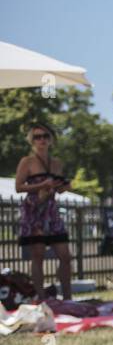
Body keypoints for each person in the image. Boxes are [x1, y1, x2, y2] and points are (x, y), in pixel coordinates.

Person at [15, 122, 74, 301]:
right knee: (38, 255)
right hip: (34, 210)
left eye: (45, 136)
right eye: (37, 137)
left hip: (51, 210)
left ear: (51, 140)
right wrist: (42, 185)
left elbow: (58, 187)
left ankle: (67, 296)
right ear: (32, 141)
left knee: (65, 256)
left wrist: (64, 187)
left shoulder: (56, 163)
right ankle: (40, 298)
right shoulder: (27, 161)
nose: (41, 140)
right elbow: (18, 187)